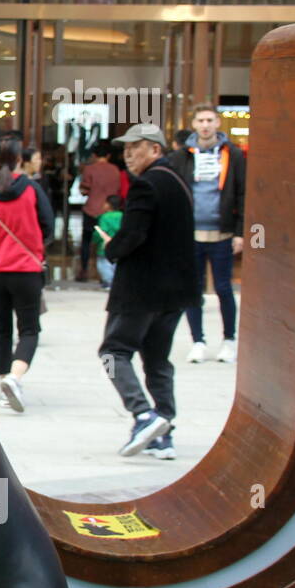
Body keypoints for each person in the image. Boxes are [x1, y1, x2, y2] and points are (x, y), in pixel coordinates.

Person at [99, 124, 199, 460]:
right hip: (175, 293)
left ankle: (143, 415)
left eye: (135, 148)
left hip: (142, 290)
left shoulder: (146, 185)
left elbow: (132, 236)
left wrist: (112, 247)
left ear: (155, 150)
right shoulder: (179, 182)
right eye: (125, 149)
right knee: (157, 359)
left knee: (113, 352)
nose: (128, 155)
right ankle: (164, 433)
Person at [0, 135, 53, 414]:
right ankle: (15, 377)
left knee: (1, 328)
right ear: (20, 159)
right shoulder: (32, 189)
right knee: (29, 329)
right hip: (26, 269)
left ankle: (2, 385)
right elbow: (48, 225)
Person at [172, 104, 246, 364]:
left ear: (217, 123)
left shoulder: (233, 154)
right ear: (194, 124)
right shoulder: (182, 156)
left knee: (224, 288)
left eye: (210, 120)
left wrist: (240, 231)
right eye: (200, 120)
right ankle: (198, 341)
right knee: (193, 288)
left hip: (222, 233)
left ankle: (229, 340)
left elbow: (242, 193)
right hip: (191, 234)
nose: (205, 125)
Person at [77, 141, 120, 281]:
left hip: (92, 210)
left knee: (86, 242)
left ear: (94, 155)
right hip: (109, 211)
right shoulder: (115, 170)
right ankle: (107, 273)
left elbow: (84, 189)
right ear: (108, 155)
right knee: (110, 240)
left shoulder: (90, 169)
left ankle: (84, 270)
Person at [93, 193, 124, 288]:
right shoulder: (123, 216)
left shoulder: (105, 217)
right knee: (116, 265)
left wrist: (95, 240)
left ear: (108, 205)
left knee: (103, 265)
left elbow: (101, 232)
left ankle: (109, 282)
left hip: (105, 246)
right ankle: (115, 281)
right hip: (119, 245)